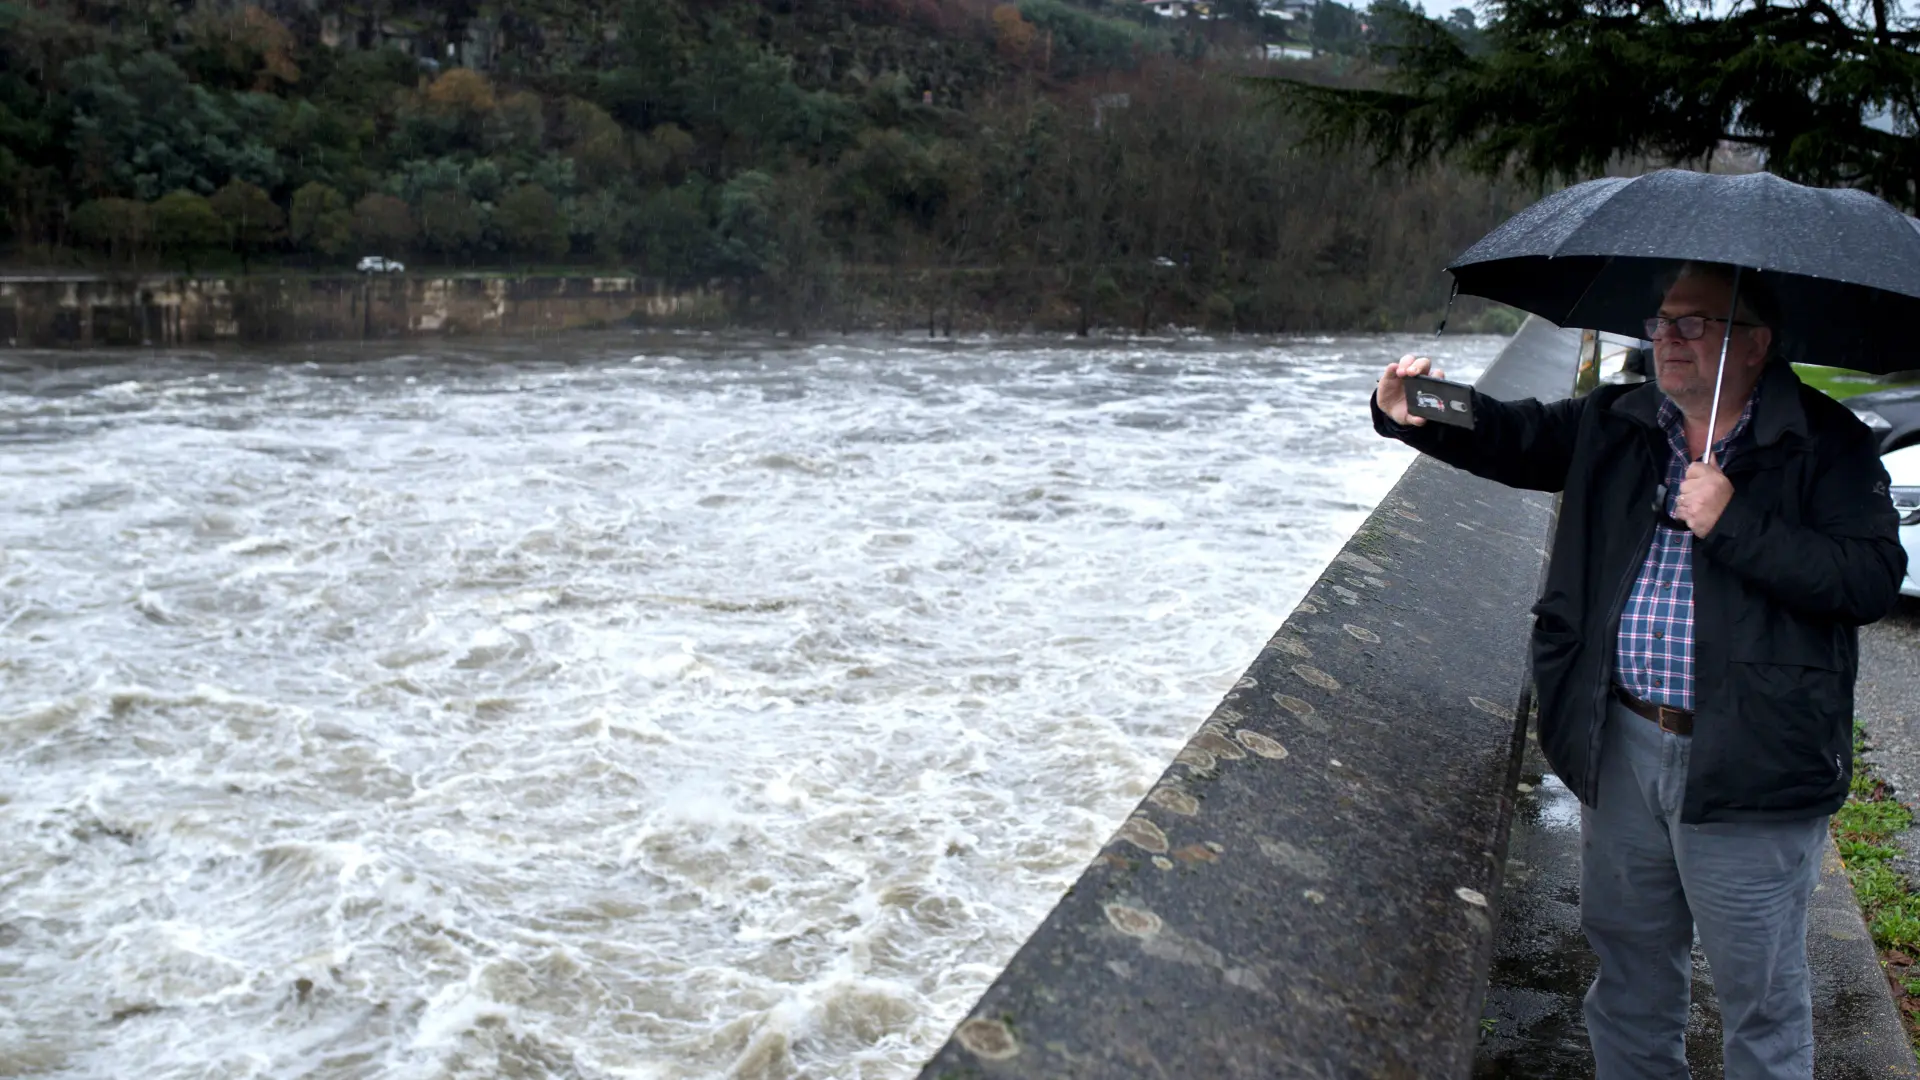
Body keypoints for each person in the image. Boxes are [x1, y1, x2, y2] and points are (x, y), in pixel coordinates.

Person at [1373, 262, 1906, 1080]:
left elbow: (1867, 579)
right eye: (1661, 322)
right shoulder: (1620, 419)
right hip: (1621, 744)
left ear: (1755, 343)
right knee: (1628, 983)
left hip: (1753, 765)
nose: (1667, 338)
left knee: (1761, 1003)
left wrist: (1734, 522)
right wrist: (1416, 413)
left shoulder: (1827, 444)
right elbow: (1517, 435)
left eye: (1693, 324)